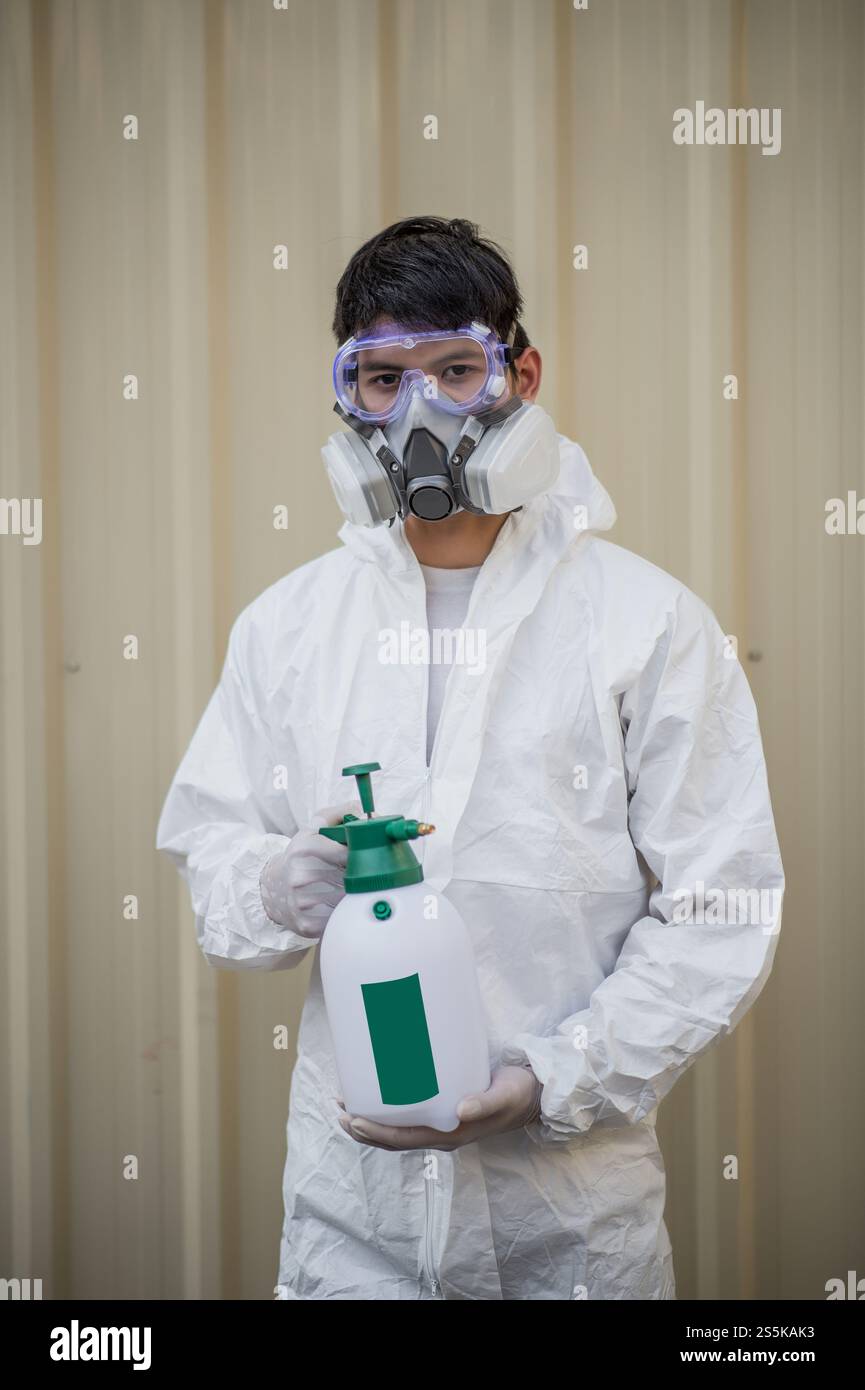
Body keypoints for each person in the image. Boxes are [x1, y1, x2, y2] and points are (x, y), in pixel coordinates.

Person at [156, 215, 784, 1300]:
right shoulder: (288, 627)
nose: (421, 413)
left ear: (520, 376)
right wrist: (275, 884)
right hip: (355, 1221)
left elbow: (721, 908)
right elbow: (209, 846)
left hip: (573, 1220)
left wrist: (552, 1078)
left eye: (458, 368)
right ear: (342, 395)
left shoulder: (646, 624)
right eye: (380, 380)